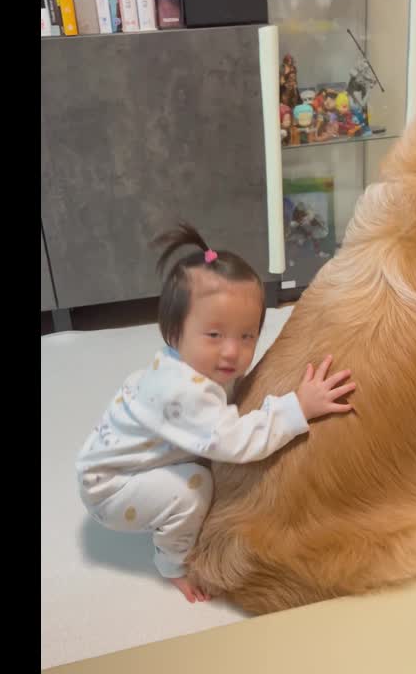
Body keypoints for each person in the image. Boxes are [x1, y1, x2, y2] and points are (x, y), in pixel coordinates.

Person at [76, 223, 357, 603]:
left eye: (246, 336)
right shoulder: (182, 392)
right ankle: (172, 565)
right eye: (214, 335)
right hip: (111, 489)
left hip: (112, 461)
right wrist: (297, 407)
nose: (231, 352)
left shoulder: (196, 367)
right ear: (173, 334)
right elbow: (239, 443)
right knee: (195, 490)